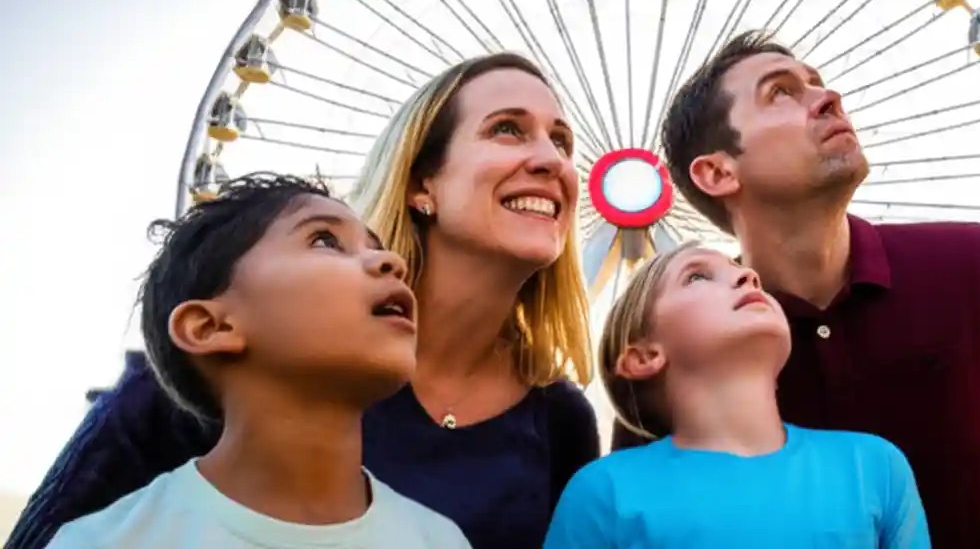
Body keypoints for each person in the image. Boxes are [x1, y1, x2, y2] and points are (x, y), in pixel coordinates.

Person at [10, 53, 599, 549]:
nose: (553, 161)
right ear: (423, 184)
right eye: (507, 129)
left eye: (562, 141)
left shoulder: (560, 422)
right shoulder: (228, 372)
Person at [612, 31, 980, 548]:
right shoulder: (678, 350)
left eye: (817, 81)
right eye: (780, 93)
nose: (828, 97)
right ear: (716, 173)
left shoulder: (974, 266)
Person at [44, 174, 470, 548]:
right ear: (210, 328)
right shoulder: (104, 542)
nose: (391, 262)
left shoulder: (440, 540)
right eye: (325, 240)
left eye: (376, 247)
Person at [545, 243, 930, 548]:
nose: (748, 275)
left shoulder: (875, 467)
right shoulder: (601, 493)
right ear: (644, 355)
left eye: (743, 270)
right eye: (696, 277)